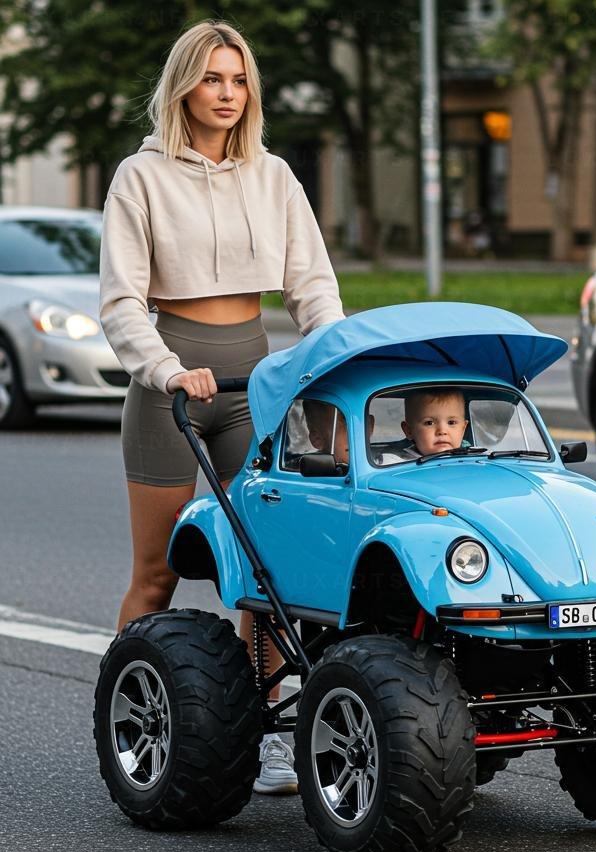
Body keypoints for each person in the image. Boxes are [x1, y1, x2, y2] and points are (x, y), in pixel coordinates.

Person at [99, 20, 344, 796]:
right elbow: (120, 302)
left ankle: (266, 736)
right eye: (212, 78)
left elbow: (313, 288)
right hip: (170, 386)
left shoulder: (273, 177)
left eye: (239, 80)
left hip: (251, 385)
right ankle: (131, 720)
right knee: (157, 573)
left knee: (264, 574)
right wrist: (168, 370)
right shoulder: (140, 178)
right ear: (183, 88)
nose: (228, 93)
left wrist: (335, 357)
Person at [375, 388, 468, 463]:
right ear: (409, 431)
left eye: (451, 422)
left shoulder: (473, 456)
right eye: (429, 423)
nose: (442, 431)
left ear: (463, 428)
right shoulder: (394, 462)